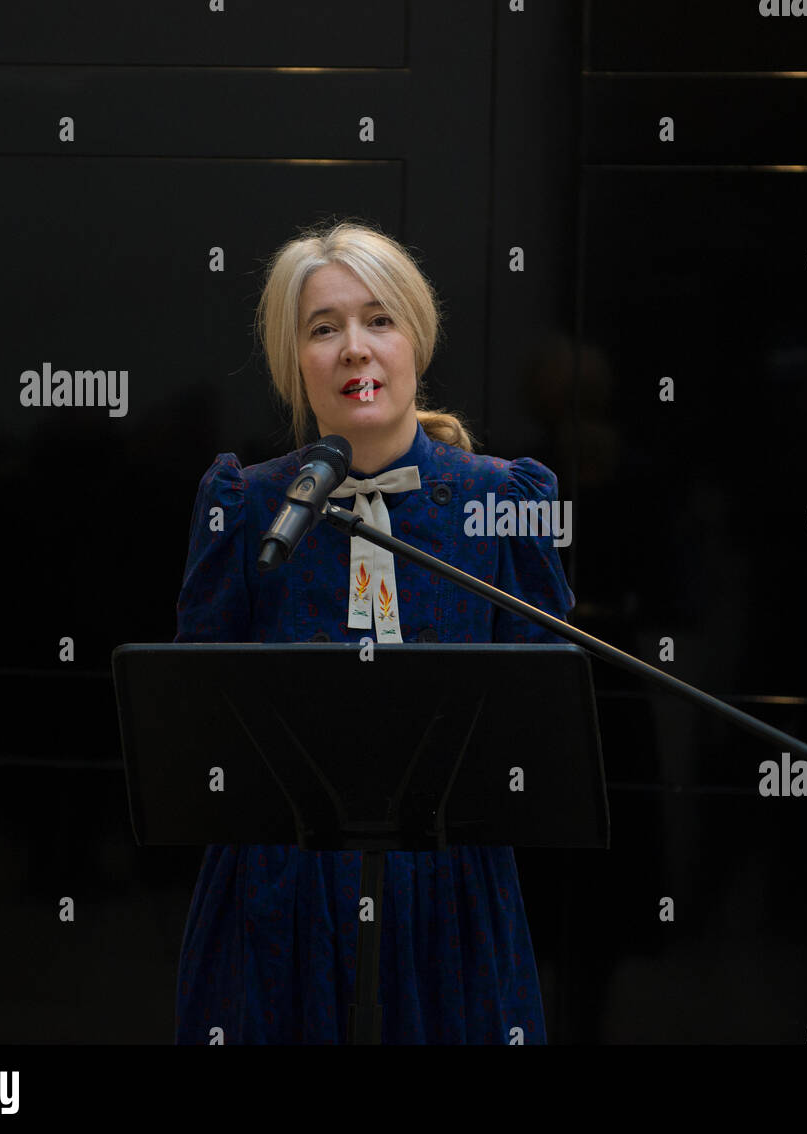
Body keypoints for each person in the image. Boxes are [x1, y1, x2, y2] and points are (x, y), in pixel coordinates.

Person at [172, 220, 575, 1044]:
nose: (355, 348)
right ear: (297, 363)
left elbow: (542, 728)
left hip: (451, 895)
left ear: (416, 340)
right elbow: (197, 729)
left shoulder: (506, 499)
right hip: (278, 897)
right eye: (324, 329)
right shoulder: (244, 507)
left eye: (378, 319)